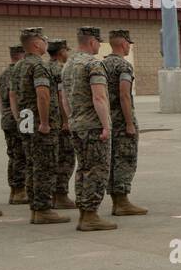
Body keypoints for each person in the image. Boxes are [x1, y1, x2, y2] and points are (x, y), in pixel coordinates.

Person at [12, 28, 69, 224]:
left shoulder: (18, 66)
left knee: (31, 164)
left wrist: (18, 117)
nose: (46, 43)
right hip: (39, 124)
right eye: (44, 40)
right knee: (45, 165)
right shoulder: (39, 66)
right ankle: (43, 209)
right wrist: (45, 122)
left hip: (26, 121)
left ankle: (36, 208)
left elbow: (13, 95)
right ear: (36, 43)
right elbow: (43, 95)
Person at [61, 26, 116, 231]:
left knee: (83, 169)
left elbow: (64, 99)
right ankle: (90, 215)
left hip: (77, 125)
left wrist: (71, 119)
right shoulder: (93, 64)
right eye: (98, 42)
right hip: (93, 126)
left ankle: (84, 212)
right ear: (92, 42)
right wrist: (106, 125)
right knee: (97, 169)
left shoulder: (68, 64)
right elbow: (99, 97)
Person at [102, 29, 147, 216]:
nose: (129, 47)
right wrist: (129, 123)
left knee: (112, 159)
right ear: (124, 44)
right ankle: (122, 202)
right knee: (125, 159)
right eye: (129, 43)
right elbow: (124, 95)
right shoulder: (124, 67)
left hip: (107, 118)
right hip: (121, 119)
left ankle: (116, 200)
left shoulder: (101, 64)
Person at [47, 39, 76, 209]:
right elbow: (61, 96)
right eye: (66, 50)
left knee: (53, 158)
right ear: (61, 51)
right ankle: (60, 194)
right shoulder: (59, 70)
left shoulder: (45, 67)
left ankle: (52, 194)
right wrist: (66, 120)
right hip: (60, 121)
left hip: (49, 120)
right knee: (66, 158)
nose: (68, 54)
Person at [0, 44, 27, 205]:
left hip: (7, 119)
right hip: (17, 119)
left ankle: (15, 190)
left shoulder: (3, 75)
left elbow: (1, 103)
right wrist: (18, 119)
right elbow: (12, 97)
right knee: (21, 156)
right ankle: (19, 191)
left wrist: (6, 117)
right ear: (20, 55)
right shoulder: (17, 73)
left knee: (13, 155)